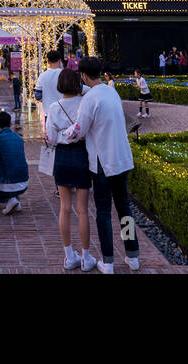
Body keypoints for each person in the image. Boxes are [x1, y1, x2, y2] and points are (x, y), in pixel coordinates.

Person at [65, 57, 140, 273]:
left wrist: (62, 134)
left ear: (84, 75)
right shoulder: (111, 91)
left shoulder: (90, 98)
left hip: (102, 161)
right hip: (122, 157)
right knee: (124, 208)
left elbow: (79, 129)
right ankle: (132, 255)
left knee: (104, 212)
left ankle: (108, 261)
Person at [45, 67, 96, 271]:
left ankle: (68, 256)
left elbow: (50, 138)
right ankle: (85, 257)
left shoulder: (53, 107)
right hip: (81, 155)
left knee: (64, 209)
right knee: (82, 209)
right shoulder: (84, 103)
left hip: (62, 157)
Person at [0, 111, 29, 214]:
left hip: (5, 183)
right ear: (10, 124)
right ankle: (15, 200)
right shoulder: (19, 138)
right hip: (24, 182)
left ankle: (11, 200)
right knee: (12, 164)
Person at [34, 50, 64, 123]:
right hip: (64, 113)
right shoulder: (65, 74)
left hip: (48, 113)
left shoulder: (42, 76)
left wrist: (45, 99)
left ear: (48, 61)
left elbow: (38, 96)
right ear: (59, 61)